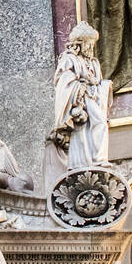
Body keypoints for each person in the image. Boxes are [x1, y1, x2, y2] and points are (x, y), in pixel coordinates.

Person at [46, 21, 113, 185]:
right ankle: (85, 163)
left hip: (94, 96)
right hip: (80, 100)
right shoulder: (69, 59)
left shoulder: (94, 62)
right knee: (83, 131)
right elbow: (63, 81)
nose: (91, 48)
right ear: (79, 44)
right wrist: (78, 88)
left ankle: (99, 159)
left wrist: (102, 85)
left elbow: (97, 79)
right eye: (88, 44)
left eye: (92, 44)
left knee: (100, 123)